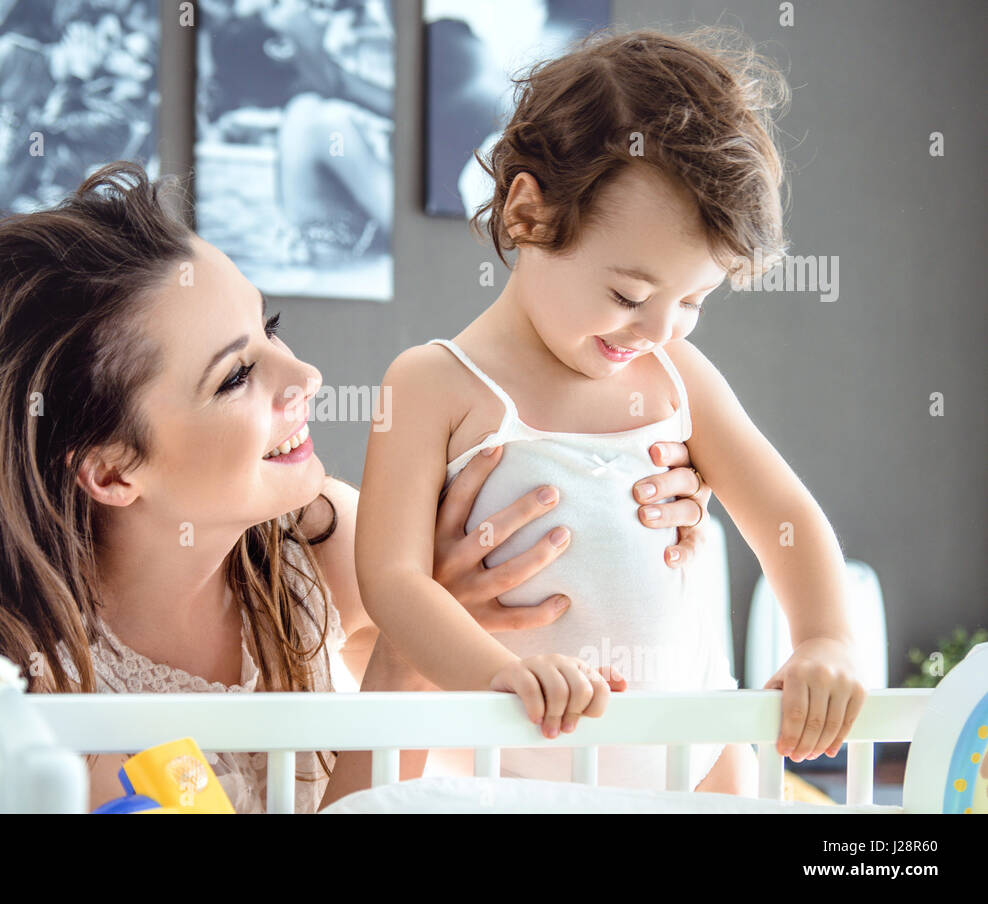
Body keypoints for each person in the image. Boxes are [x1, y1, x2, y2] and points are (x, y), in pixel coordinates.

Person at [0, 160, 716, 814]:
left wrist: (654, 491)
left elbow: (571, 575)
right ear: (112, 470)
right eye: (236, 376)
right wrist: (400, 666)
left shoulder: (321, 546)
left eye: (269, 328)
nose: (305, 375)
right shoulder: (55, 709)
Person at [355, 26, 868, 795]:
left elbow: (785, 513)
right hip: (513, 772)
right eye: (628, 295)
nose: (660, 330)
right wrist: (505, 674)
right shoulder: (432, 384)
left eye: (694, 299)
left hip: (695, 760)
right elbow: (391, 580)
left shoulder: (674, 375)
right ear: (528, 213)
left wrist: (826, 637)